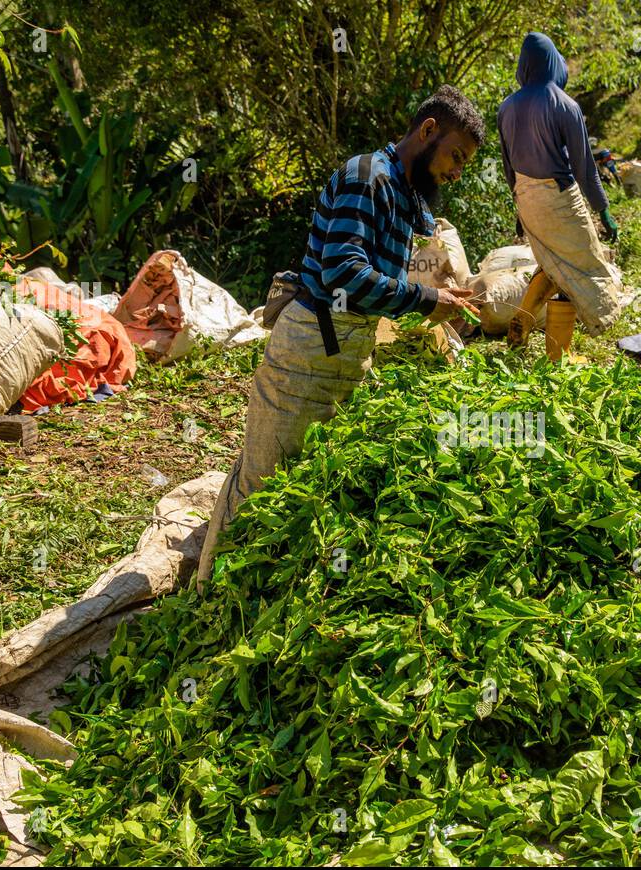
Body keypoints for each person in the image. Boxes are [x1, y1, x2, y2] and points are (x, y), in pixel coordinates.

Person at [197, 85, 483, 584]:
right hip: (309, 351)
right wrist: (425, 300)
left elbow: (405, 232)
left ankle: (268, 587)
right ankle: (208, 598)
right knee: (261, 485)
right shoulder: (365, 176)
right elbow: (343, 273)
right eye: (455, 156)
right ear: (428, 130)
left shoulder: (398, 183)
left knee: (305, 481)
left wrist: (442, 294)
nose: (457, 172)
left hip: (345, 349)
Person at [497, 32, 622, 340]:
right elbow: (584, 167)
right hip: (559, 196)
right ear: (554, 62)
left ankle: (522, 321)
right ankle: (562, 348)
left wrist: (519, 208)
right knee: (584, 266)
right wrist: (604, 210)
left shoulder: (506, 107)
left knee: (553, 265)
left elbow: (507, 165)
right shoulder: (565, 105)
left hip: (526, 198)